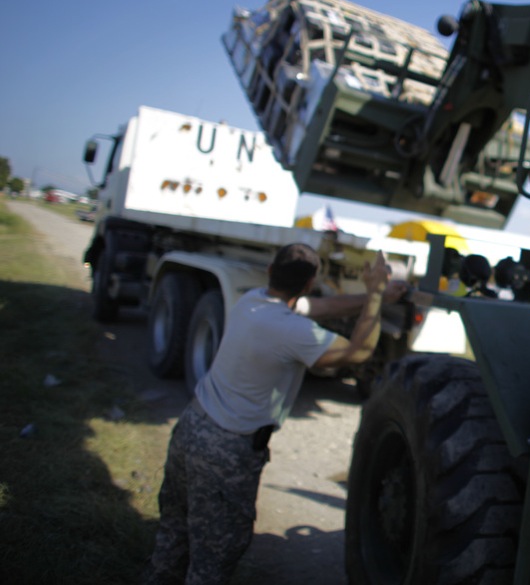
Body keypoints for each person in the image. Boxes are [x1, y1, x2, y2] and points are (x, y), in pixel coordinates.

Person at [144, 243, 407, 584]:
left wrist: (378, 299)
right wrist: (373, 293)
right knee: (213, 558)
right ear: (310, 283)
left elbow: (319, 306)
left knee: (174, 533)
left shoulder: (252, 300)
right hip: (226, 452)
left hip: (192, 428)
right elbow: (359, 352)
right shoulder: (292, 331)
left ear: (270, 271)